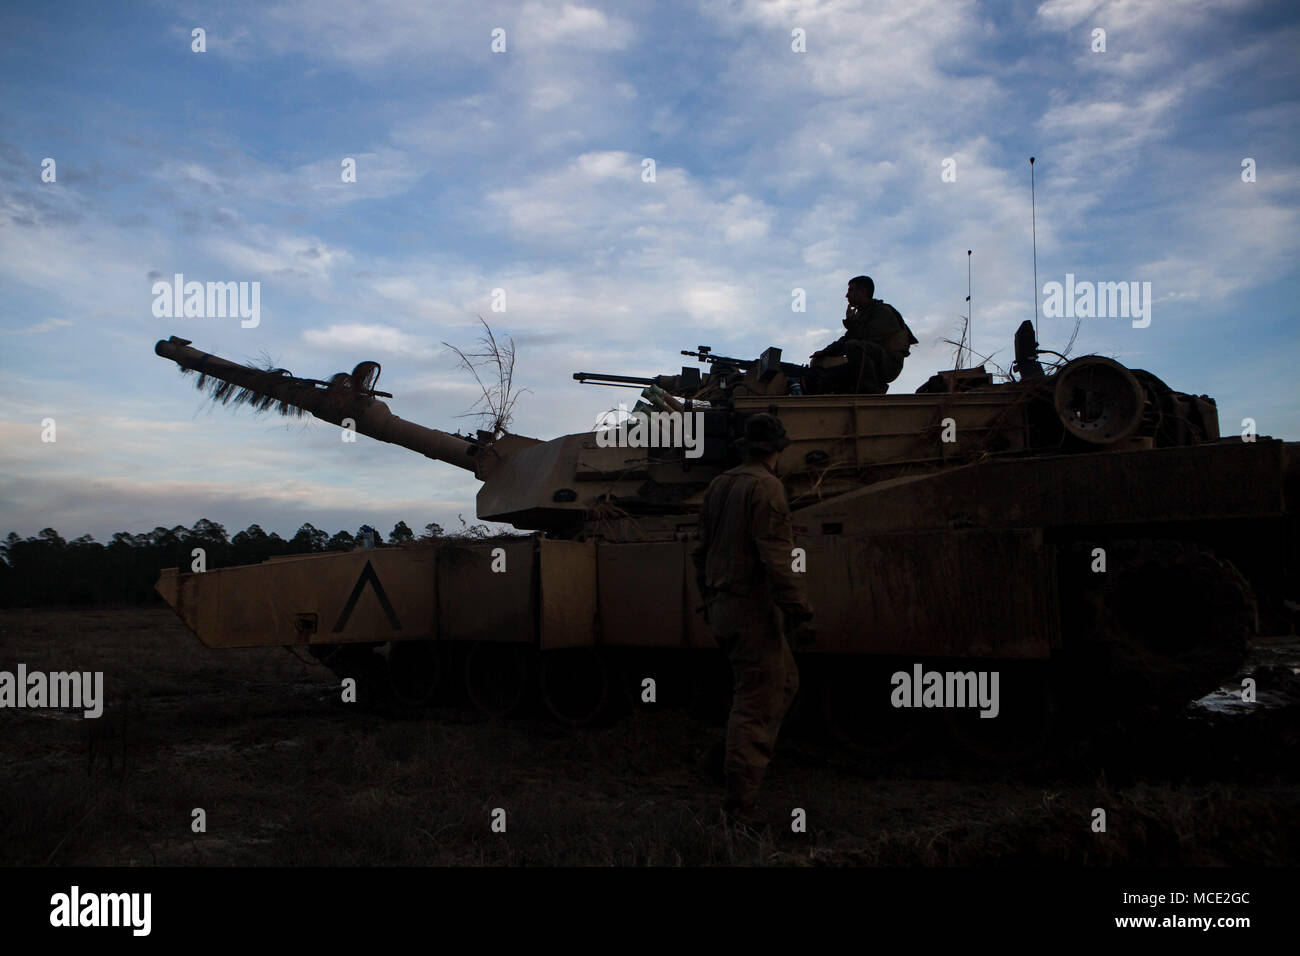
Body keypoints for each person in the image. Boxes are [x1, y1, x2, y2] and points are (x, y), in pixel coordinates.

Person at [692, 413, 815, 827]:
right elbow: (778, 557)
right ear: (779, 449)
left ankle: (718, 762)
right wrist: (799, 610)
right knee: (757, 703)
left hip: (724, 604)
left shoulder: (719, 484)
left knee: (782, 684)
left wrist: (707, 596)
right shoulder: (768, 487)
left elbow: (700, 550)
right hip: (751, 609)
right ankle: (739, 807)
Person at [810, 275, 917, 394]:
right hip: (869, 360)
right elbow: (846, 339)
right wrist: (825, 352)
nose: (847, 295)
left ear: (863, 291)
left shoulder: (882, 312)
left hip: (888, 365)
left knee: (854, 346)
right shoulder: (863, 313)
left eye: (851, 290)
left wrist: (851, 324)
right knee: (827, 374)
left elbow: (866, 336)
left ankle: (870, 391)